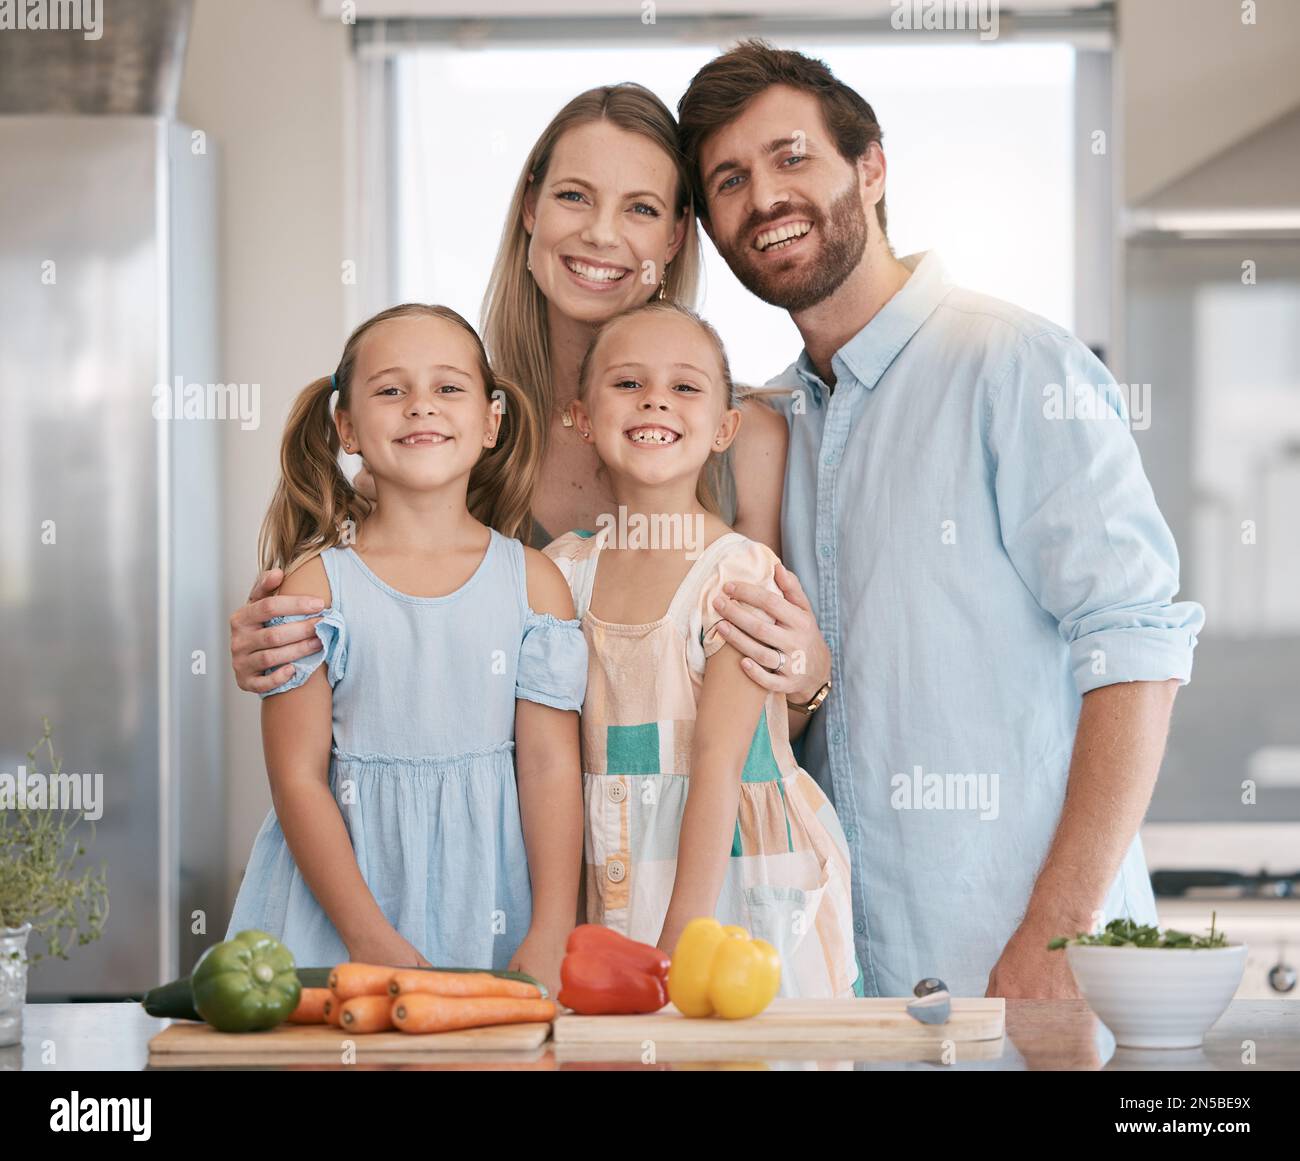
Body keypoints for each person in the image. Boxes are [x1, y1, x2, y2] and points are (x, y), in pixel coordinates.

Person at [674, 40, 1206, 999]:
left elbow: (1136, 650)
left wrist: (1057, 935)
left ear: (870, 167)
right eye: (729, 181)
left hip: (1027, 988)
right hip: (848, 1006)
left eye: (792, 157)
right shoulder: (765, 427)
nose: (764, 198)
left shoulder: (1015, 368)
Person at [228, 85, 832, 738]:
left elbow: (767, 723)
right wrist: (277, 648)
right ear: (530, 209)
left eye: (641, 208)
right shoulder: (449, 435)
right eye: (574, 196)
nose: (601, 233)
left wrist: (808, 679)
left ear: (676, 234)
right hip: (501, 837)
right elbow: (368, 683)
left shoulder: (748, 444)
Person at [224, 303, 586, 996]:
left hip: (491, 906)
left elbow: (547, 766)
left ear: (491, 420)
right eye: (392, 389)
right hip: (340, 918)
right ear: (347, 427)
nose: (421, 406)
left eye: (448, 387)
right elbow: (297, 777)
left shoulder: (536, 585)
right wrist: (370, 938)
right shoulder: (314, 587)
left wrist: (550, 926)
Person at [544, 299, 861, 999]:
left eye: (684, 386)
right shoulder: (560, 574)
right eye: (628, 383)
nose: (656, 397)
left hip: (733, 882)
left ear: (724, 429)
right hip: (618, 863)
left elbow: (717, 760)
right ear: (582, 417)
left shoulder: (737, 573)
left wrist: (681, 933)